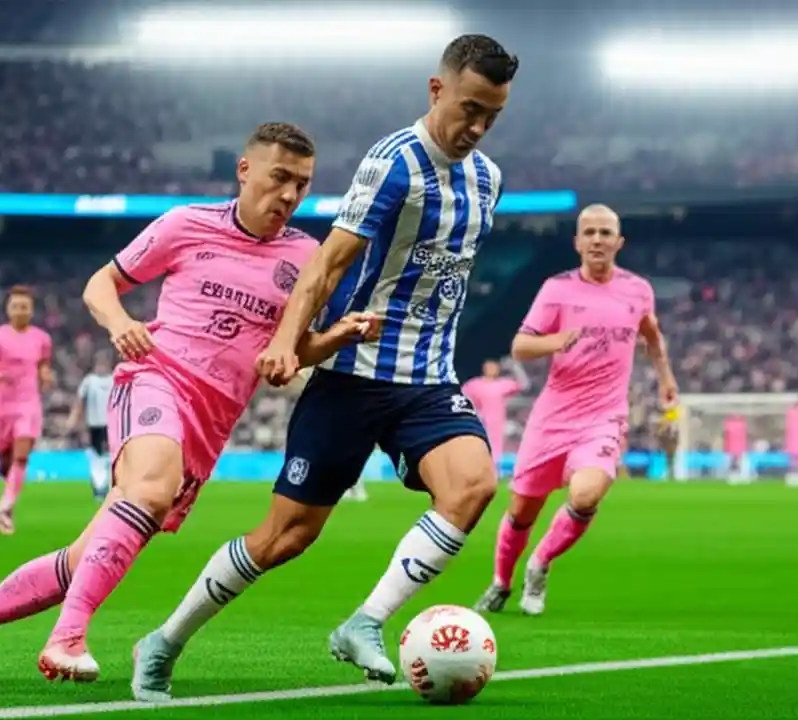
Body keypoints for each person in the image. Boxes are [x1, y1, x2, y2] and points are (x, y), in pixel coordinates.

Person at [0, 122, 380, 686]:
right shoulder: (186, 224)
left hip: (210, 425)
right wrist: (122, 323)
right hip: (155, 379)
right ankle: (67, 638)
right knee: (148, 489)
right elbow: (101, 283)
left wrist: (338, 336)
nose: (291, 196)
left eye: (302, 184)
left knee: (79, 563)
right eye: (280, 178)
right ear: (244, 171)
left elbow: (287, 354)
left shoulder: (306, 257)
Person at [130, 34, 519, 701]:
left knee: (475, 486)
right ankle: (163, 641)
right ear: (437, 91)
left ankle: (365, 622)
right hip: (352, 374)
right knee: (285, 537)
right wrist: (288, 340)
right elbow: (326, 265)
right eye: (469, 107)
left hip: (427, 379)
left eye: (492, 115)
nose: (477, 126)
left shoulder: (489, 179)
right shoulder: (393, 163)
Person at [474, 203, 679, 617]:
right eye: (590, 233)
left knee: (586, 494)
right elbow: (520, 345)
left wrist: (666, 379)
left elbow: (652, 334)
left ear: (619, 242)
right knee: (521, 511)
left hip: (604, 417)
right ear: (577, 242)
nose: (598, 240)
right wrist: (555, 342)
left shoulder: (638, 290)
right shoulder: (557, 289)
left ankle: (540, 563)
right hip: (553, 417)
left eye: (606, 233)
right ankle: (501, 582)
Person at [0, 286, 53, 535]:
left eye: (25, 307)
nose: (20, 311)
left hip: (28, 404)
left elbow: (43, 365)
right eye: (16, 306)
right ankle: (9, 490)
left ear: (31, 310)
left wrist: (45, 376)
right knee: (5, 462)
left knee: (21, 456)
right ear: (8, 309)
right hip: (1, 405)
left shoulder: (42, 338)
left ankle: (5, 507)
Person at [462, 357, 530, 476]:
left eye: (494, 367)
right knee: (480, 446)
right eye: (489, 367)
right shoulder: (475, 384)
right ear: (484, 368)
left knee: (496, 448)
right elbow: (464, 398)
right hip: (480, 421)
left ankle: (494, 473)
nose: (492, 370)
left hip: (497, 423)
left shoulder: (502, 384)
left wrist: (515, 367)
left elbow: (524, 385)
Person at [69, 356, 114, 502]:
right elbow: (80, 401)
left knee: (110, 457)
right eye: (99, 364)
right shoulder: (89, 381)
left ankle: (109, 487)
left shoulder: (114, 379)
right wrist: (75, 418)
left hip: (112, 425)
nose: (101, 367)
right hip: (94, 424)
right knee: (97, 457)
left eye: (104, 364)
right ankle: (99, 488)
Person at [723, 413, 749, 483]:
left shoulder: (740, 425)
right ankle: (734, 476)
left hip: (737, 449)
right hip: (733, 449)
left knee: (737, 463)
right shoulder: (731, 425)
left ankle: (738, 476)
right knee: (734, 463)